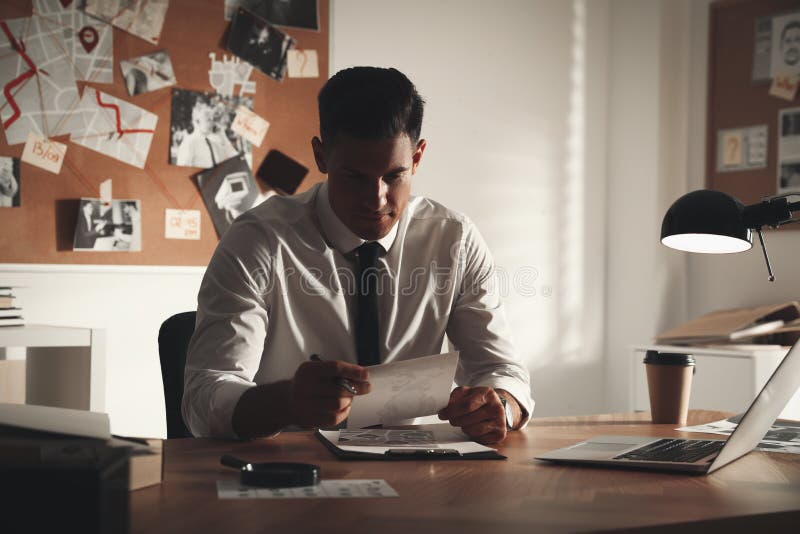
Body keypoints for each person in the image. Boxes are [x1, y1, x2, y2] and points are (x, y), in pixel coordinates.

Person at [183, 67, 533, 444]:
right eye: (354, 177)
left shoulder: (455, 240)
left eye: (394, 175)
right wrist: (287, 402)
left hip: (414, 470)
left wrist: (498, 404)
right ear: (321, 156)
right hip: (291, 472)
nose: (376, 199)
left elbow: (502, 371)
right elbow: (203, 400)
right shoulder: (257, 242)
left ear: (417, 157)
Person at [175, 101, 238, 168]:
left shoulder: (214, 142)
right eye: (208, 120)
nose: (213, 123)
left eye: (212, 119)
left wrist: (223, 137)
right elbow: (182, 171)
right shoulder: (189, 142)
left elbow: (235, 160)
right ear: (197, 121)